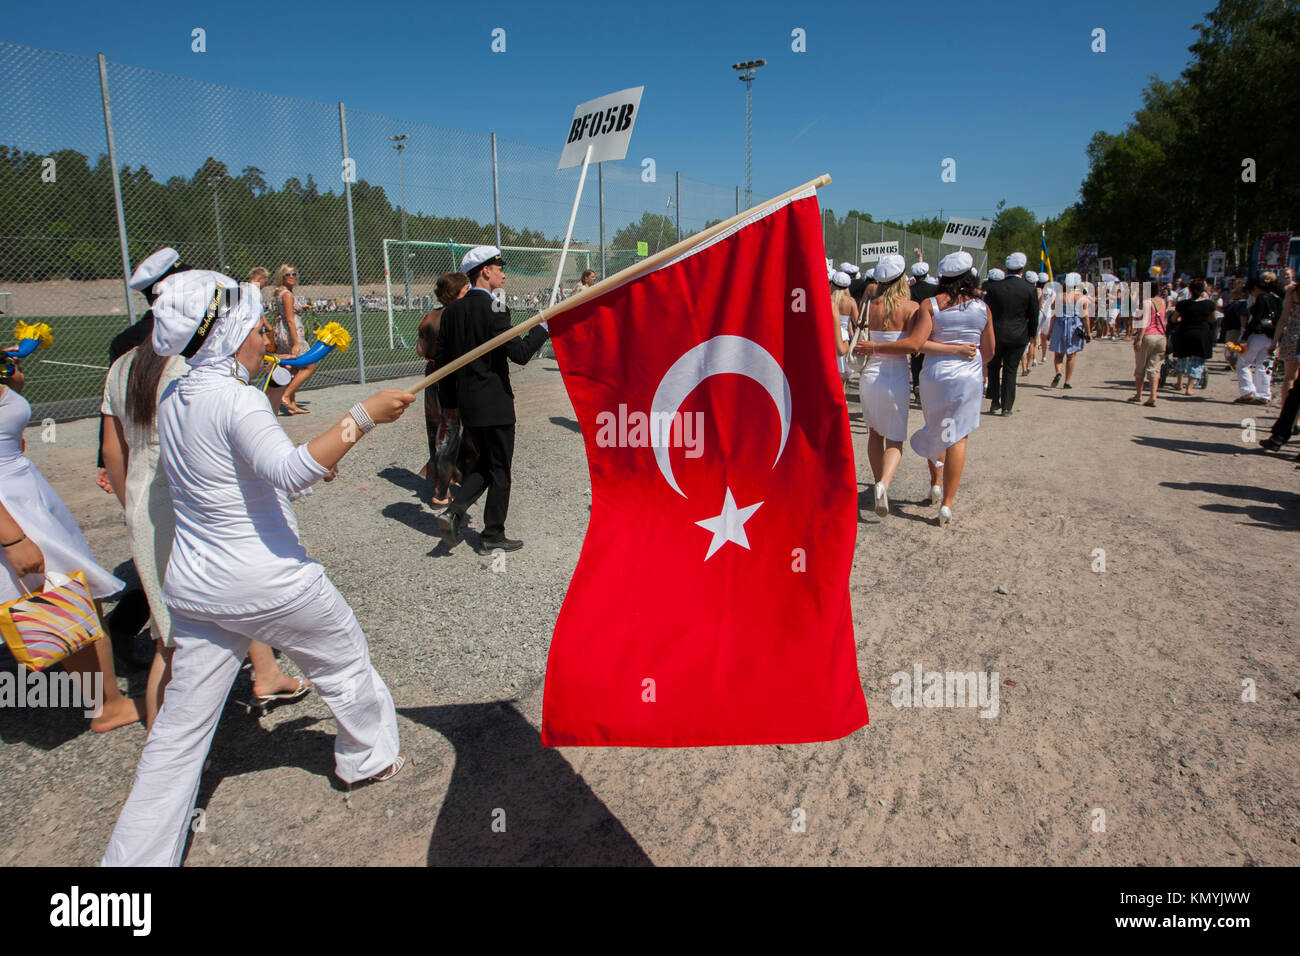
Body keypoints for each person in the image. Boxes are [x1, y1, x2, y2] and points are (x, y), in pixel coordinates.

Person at [102, 267, 414, 867]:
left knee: (176, 739)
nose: (266, 331)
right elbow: (290, 472)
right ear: (228, 333)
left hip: (196, 588)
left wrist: (309, 464)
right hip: (268, 580)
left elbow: (249, 476)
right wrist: (363, 416)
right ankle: (366, 758)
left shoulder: (177, 394)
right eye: (255, 323)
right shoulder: (236, 398)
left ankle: (131, 869)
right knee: (344, 658)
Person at [100, 334, 310, 730]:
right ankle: (166, 748)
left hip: (144, 499)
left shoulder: (123, 365)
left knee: (181, 624)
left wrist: (132, 506)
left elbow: (114, 451)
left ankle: (265, 673)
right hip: (192, 498)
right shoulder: (194, 367)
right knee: (179, 637)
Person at [0, 353, 143, 733]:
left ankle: (104, 699)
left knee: (71, 597)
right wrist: (12, 537)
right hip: (9, 510)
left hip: (23, 494)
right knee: (64, 600)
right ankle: (107, 706)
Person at [433, 246, 550, 554]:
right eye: (499, 266)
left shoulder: (452, 312)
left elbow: (444, 364)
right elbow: (521, 354)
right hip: (495, 404)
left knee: (485, 464)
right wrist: (544, 327)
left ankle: (455, 511)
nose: (503, 272)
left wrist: (450, 405)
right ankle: (492, 534)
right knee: (500, 470)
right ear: (485, 271)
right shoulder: (495, 307)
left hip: (468, 406)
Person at [851, 254, 963, 516]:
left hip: (870, 374)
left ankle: (881, 485)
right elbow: (917, 345)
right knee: (895, 439)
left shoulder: (869, 304)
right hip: (896, 375)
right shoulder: (911, 307)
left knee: (874, 434)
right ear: (903, 279)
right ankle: (883, 483)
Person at [907, 252, 994, 526]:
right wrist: (962, 350)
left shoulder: (930, 305)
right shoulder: (982, 308)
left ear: (943, 277)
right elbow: (989, 351)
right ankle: (947, 503)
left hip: (935, 374)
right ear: (971, 276)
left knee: (937, 428)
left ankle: (934, 481)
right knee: (958, 437)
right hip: (968, 376)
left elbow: (918, 344)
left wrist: (945, 348)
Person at [416, 272, 474, 506]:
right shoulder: (459, 316)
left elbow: (421, 350)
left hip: (432, 377)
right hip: (454, 377)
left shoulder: (430, 316)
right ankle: (442, 489)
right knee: (451, 432)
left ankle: (447, 477)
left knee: (435, 428)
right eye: (467, 290)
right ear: (459, 292)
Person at [982, 252, 1038, 415]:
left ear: (1006, 268)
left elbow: (987, 312)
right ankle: (1007, 406)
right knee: (1010, 370)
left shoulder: (994, 288)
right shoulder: (1029, 289)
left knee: (993, 367)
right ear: (1022, 268)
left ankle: (994, 400)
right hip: (1018, 334)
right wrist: (1032, 333)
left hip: (996, 333)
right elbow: (1033, 314)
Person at [272, 264, 314, 416]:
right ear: (281, 277)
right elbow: (290, 319)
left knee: (293, 367)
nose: (292, 277)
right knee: (310, 365)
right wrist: (296, 342)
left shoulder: (281, 293)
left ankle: (292, 405)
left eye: (294, 274)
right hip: (292, 333)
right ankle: (286, 395)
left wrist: (301, 306)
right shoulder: (287, 295)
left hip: (281, 333)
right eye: (288, 275)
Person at [1235, 275, 1280, 405]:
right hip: (1272, 336)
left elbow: (1256, 319)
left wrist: (1244, 337)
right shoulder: (1276, 299)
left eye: (1250, 291)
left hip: (1257, 335)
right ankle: (1264, 395)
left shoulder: (1261, 299)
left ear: (1255, 288)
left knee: (1243, 363)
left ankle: (1248, 392)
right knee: (1265, 366)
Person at [1168, 279, 1215, 396]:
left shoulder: (1183, 304)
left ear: (1189, 290)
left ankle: (1179, 383)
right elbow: (1213, 319)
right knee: (1197, 361)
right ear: (1203, 290)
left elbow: (1174, 319)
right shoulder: (1209, 304)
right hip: (1201, 333)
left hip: (1185, 332)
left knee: (1182, 358)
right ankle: (1189, 387)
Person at [1048, 272, 1089, 389]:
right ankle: (1067, 381)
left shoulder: (1060, 296)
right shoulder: (1081, 298)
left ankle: (1058, 373)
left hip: (1060, 325)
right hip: (1074, 326)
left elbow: (1053, 312)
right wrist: (1088, 332)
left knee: (1058, 355)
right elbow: (1085, 317)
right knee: (1071, 356)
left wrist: (1050, 331)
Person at [1129, 287, 1167, 407]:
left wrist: (1139, 339)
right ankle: (1153, 395)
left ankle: (1139, 394)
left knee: (1140, 366)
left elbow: (1145, 321)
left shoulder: (1147, 302)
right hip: (1161, 336)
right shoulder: (1162, 301)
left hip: (1148, 336)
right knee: (1154, 368)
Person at [1269, 280, 1300, 409]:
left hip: (1293, 335)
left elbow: (1283, 319)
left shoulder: (1292, 291)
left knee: (1289, 378)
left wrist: (1274, 343)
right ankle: (1298, 421)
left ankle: (1285, 413)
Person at [830, 270, 857, 379]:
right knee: (843, 376)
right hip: (843, 338)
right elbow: (857, 321)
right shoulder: (850, 301)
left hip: (829, 336)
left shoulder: (828, 299)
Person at [1035, 273, 1054, 366]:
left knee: (1036, 337)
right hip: (1048, 315)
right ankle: (1044, 356)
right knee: (1045, 337)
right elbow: (1052, 302)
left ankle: (1034, 358)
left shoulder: (1035, 290)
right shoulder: (1051, 290)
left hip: (1038, 314)